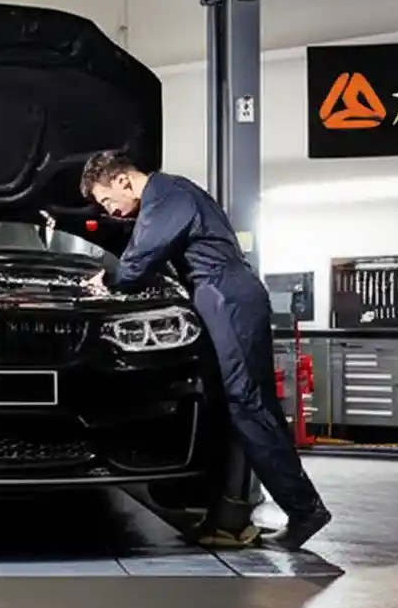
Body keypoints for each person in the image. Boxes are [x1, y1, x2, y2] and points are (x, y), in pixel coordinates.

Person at [77, 150, 331, 551]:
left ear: (123, 181)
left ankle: (304, 510)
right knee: (235, 404)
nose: (112, 210)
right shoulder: (169, 196)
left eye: (108, 200)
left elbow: (139, 260)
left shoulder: (168, 197)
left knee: (248, 403)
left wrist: (107, 280)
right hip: (216, 295)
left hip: (226, 295)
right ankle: (230, 510)